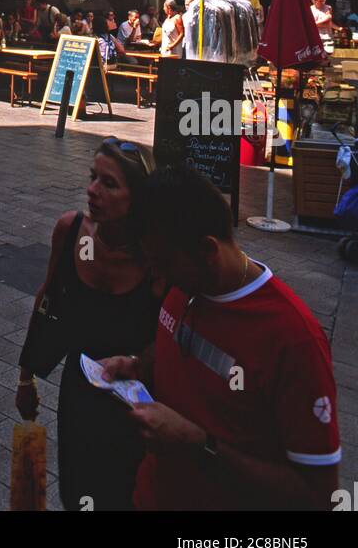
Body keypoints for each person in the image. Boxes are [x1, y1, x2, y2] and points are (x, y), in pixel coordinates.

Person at [102, 166, 341, 511]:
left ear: (208, 250)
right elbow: (181, 345)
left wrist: (201, 446)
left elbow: (319, 496)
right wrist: (139, 366)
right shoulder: (186, 282)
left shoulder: (295, 341)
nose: (155, 282)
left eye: (163, 265)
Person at [17, 139, 161, 511]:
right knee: (77, 488)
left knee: (126, 494)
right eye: (93, 177)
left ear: (138, 199)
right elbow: (48, 301)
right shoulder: (71, 230)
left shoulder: (156, 255)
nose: (92, 190)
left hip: (136, 399)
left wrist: (138, 362)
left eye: (109, 184)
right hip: (79, 389)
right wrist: (26, 376)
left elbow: (175, 335)